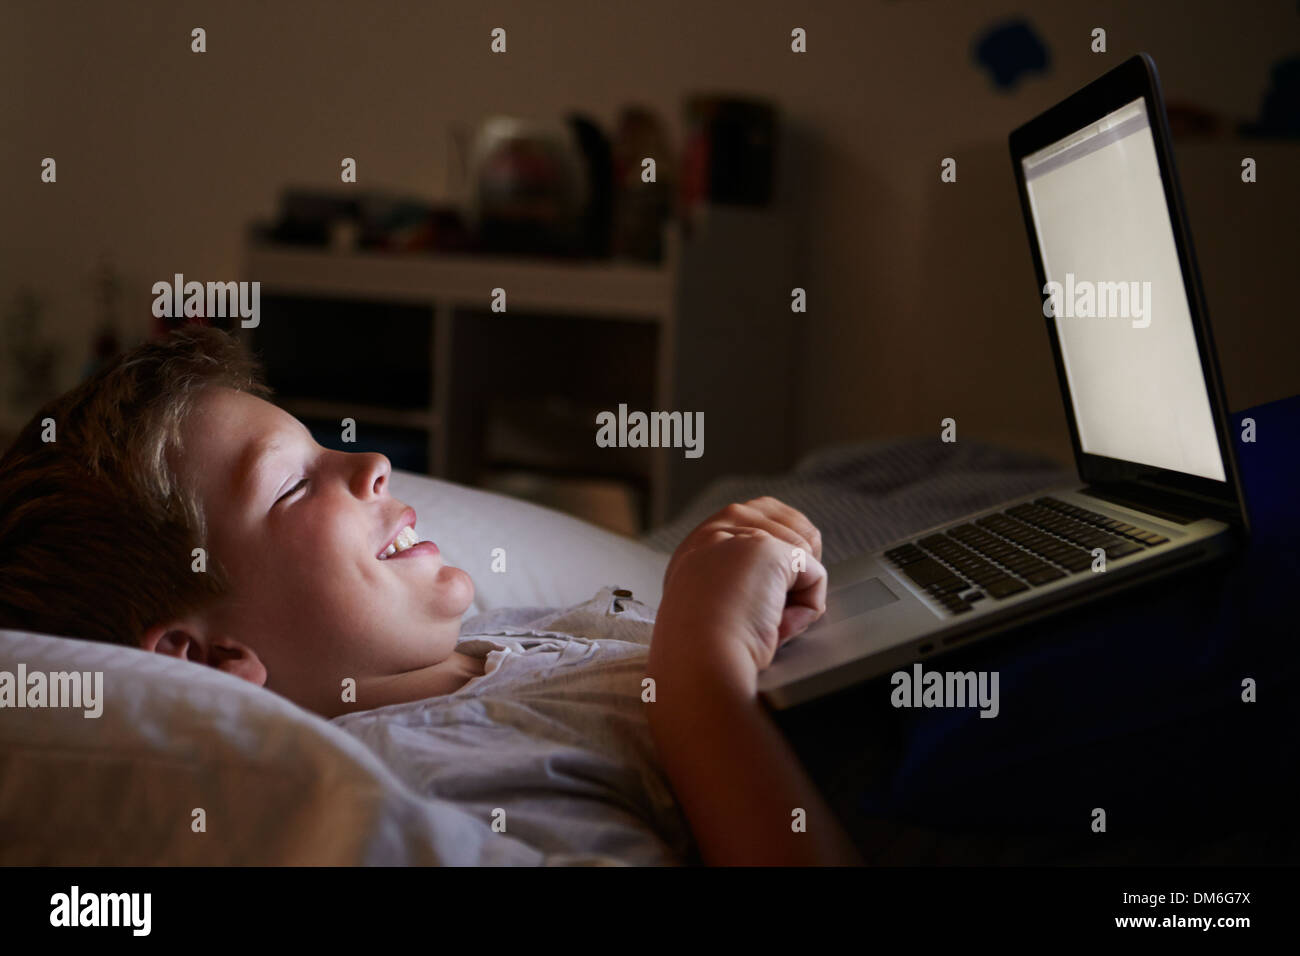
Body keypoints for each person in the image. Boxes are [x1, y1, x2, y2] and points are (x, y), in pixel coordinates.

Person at [0, 325, 862, 866]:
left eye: (321, 446)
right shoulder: (436, 771)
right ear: (209, 660)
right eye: (293, 487)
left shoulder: (498, 641)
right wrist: (704, 658)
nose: (370, 464)